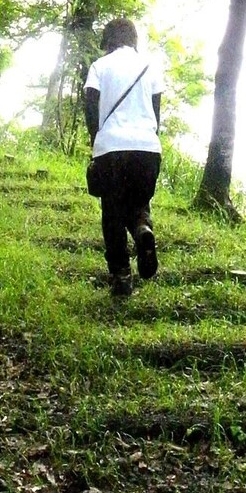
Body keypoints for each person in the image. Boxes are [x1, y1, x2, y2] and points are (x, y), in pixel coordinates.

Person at [84, 18, 163, 297]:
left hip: (112, 148)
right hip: (148, 148)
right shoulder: (150, 67)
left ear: (108, 41)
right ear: (133, 39)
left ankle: (122, 276)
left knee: (113, 213)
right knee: (139, 202)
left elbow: (90, 106)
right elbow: (156, 113)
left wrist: (97, 142)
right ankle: (142, 227)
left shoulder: (99, 67)